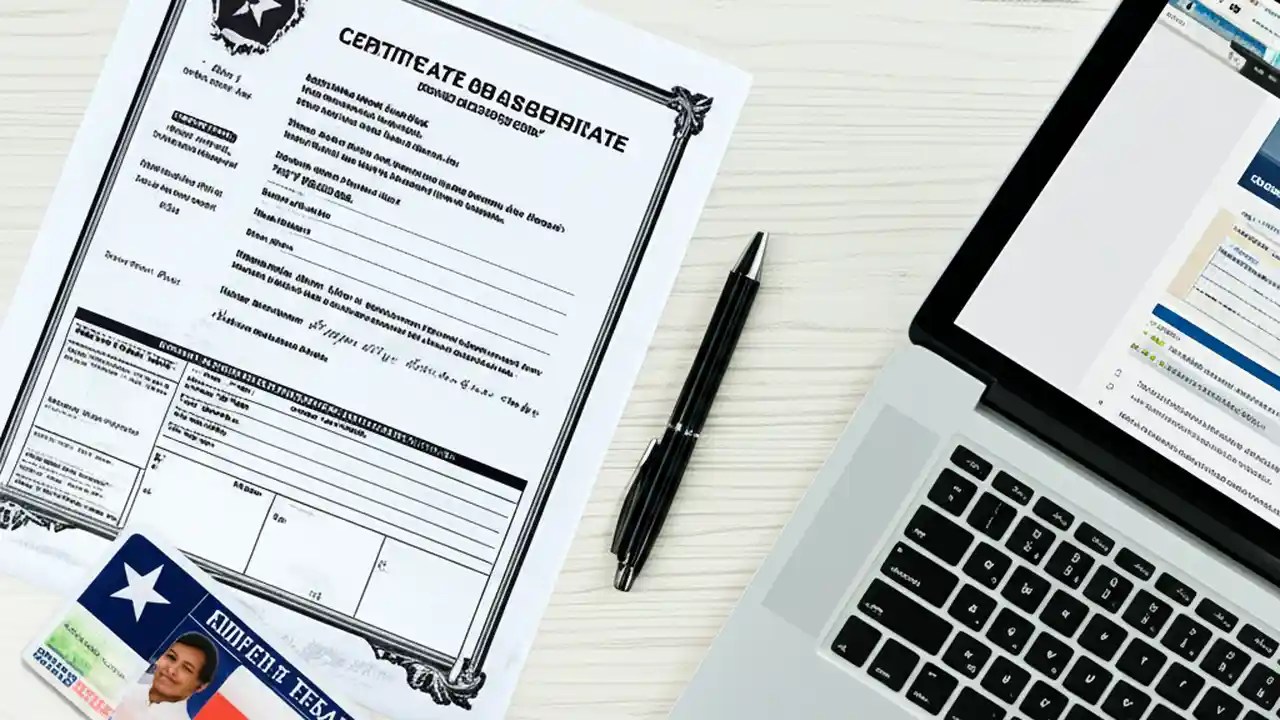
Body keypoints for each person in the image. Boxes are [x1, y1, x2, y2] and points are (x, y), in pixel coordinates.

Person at [113, 633, 219, 720]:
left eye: (186, 668)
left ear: (201, 686)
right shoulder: (124, 687)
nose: (171, 670)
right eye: (171, 657)